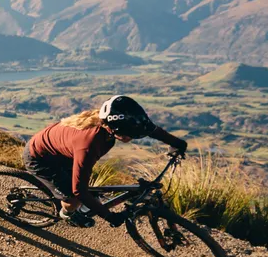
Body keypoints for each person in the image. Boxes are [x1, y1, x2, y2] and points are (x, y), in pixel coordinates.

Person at [25, 95, 187, 227]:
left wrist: (177, 143)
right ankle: (68, 214)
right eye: (128, 135)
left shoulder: (126, 120)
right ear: (114, 130)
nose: (131, 138)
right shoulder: (90, 144)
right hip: (41, 158)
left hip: (63, 152)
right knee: (73, 197)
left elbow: (152, 130)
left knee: (85, 190)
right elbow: (79, 191)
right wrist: (109, 216)